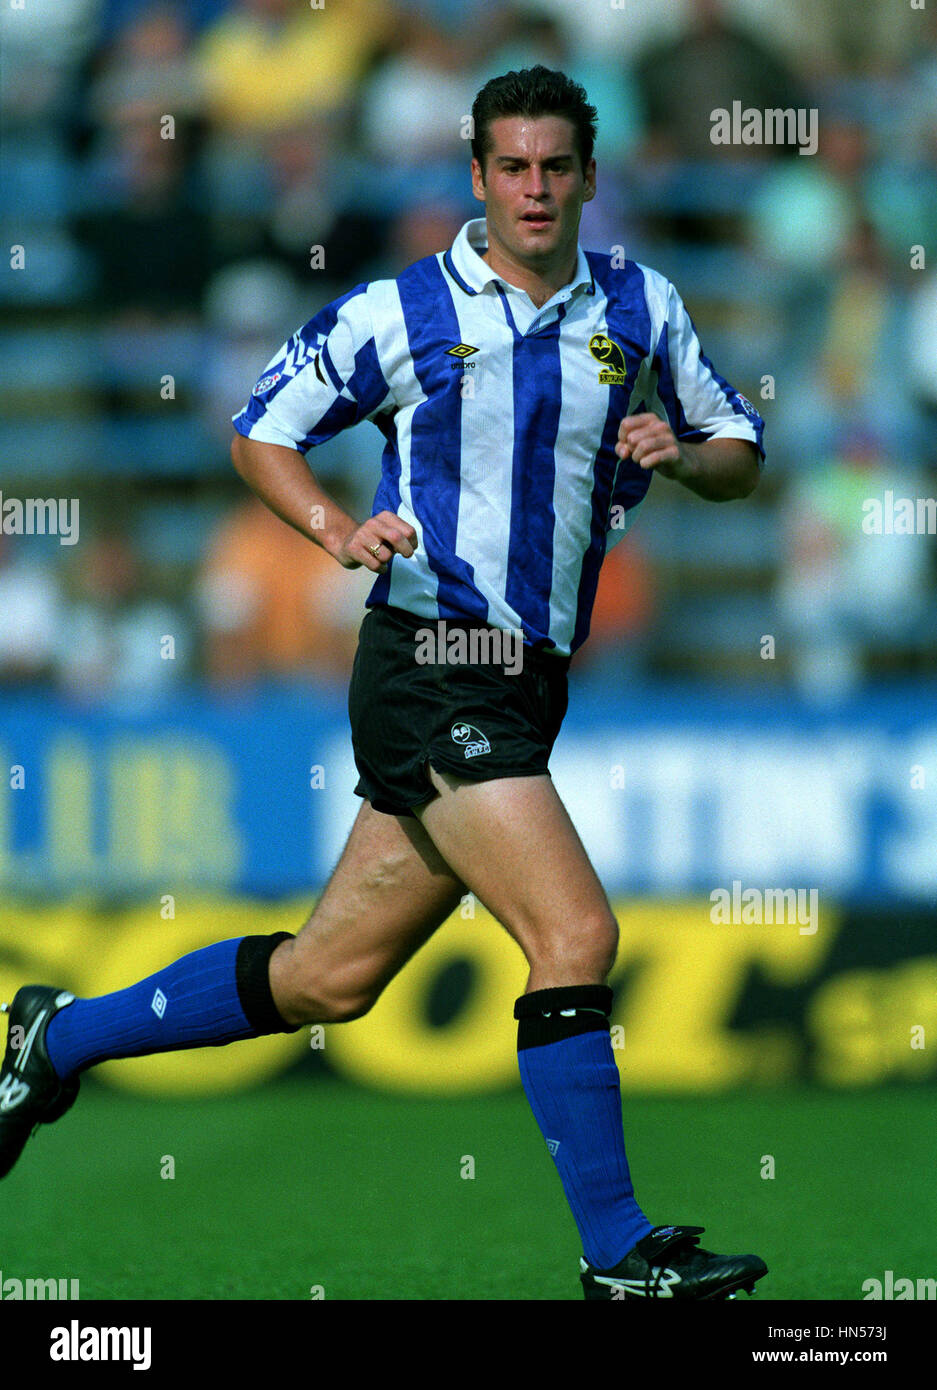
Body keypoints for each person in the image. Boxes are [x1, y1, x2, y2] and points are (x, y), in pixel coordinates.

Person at [0, 67, 768, 1301]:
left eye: (554, 167)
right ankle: (619, 1252)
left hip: (529, 680)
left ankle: (57, 1038)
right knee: (574, 932)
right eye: (509, 166)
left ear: (586, 175)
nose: (532, 187)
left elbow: (740, 453)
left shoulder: (641, 304)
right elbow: (261, 429)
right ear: (474, 175)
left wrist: (682, 455)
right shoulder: (400, 310)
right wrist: (330, 529)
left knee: (327, 979)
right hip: (429, 657)